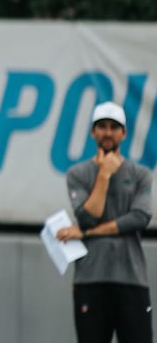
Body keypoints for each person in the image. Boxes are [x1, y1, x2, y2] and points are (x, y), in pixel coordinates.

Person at [55, 101, 153, 343]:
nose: (108, 132)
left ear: (124, 133)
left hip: (131, 278)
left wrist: (86, 233)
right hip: (91, 278)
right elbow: (87, 216)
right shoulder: (78, 173)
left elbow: (139, 218)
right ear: (92, 131)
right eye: (102, 126)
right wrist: (105, 174)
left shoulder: (140, 174)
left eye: (113, 127)